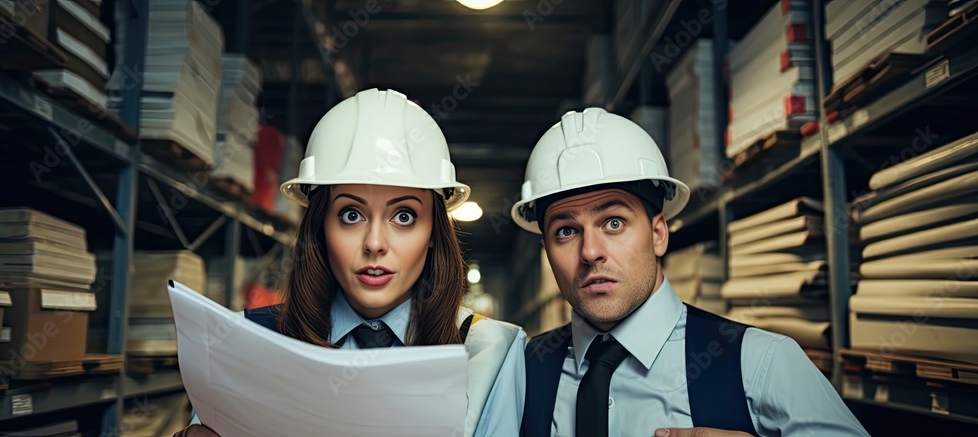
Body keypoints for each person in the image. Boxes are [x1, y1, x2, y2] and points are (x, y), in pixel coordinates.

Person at [174, 89, 526, 437]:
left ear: (434, 231)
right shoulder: (247, 340)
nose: (374, 243)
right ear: (321, 227)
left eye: (404, 216)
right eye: (351, 214)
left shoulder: (490, 350)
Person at [512, 108, 868, 437]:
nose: (590, 252)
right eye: (566, 231)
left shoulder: (760, 363)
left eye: (614, 222)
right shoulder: (524, 371)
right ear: (548, 253)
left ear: (658, 234)